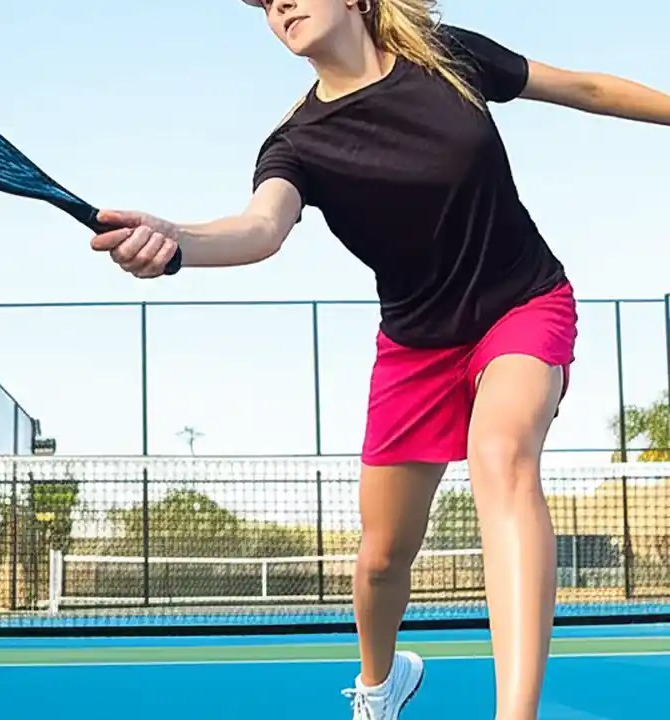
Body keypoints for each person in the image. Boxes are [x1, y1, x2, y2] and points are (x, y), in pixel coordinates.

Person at [87, 1, 670, 718]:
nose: (282, 7)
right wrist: (175, 240)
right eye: (267, 4)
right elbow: (260, 228)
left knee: (502, 455)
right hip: (415, 348)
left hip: (523, 303)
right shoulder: (296, 144)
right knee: (382, 558)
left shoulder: (445, 56)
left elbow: (581, 88)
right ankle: (379, 683)